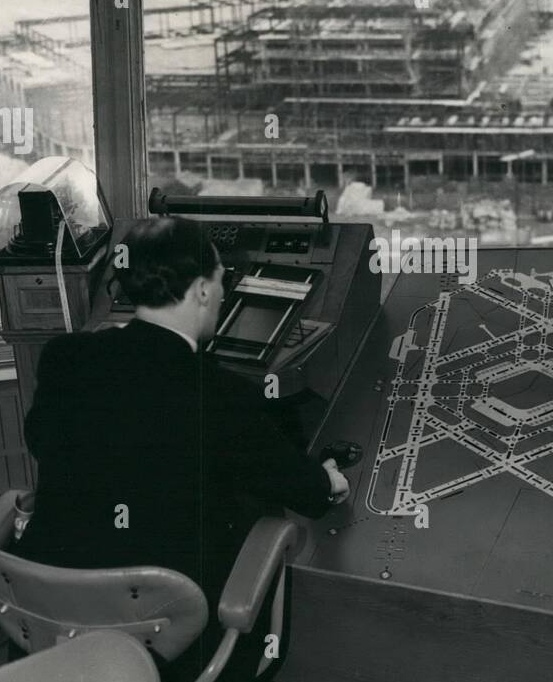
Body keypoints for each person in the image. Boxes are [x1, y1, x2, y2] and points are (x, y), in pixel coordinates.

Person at [17, 215, 349, 610]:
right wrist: (329, 480)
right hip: (162, 625)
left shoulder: (64, 357)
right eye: (222, 279)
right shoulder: (225, 394)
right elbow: (300, 489)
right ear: (203, 291)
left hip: (43, 601)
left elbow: (41, 439)